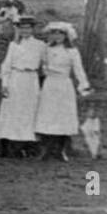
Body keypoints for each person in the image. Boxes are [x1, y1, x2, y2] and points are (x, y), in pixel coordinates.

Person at [34, 21, 90, 161]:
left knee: (63, 116)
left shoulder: (72, 51)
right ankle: (47, 150)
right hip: (49, 85)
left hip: (64, 85)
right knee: (48, 115)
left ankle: (61, 150)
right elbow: (41, 65)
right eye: (54, 33)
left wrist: (83, 86)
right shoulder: (46, 49)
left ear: (66, 35)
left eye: (60, 33)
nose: (57, 36)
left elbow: (78, 70)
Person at [0, 16, 45, 158]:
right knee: (12, 110)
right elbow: (6, 65)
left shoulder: (40, 45)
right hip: (16, 78)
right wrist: (4, 83)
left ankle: (28, 145)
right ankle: (8, 144)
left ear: (33, 29)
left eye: (28, 28)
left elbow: (45, 64)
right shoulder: (14, 45)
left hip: (31, 79)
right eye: (22, 28)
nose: (25, 31)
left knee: (29, 110)